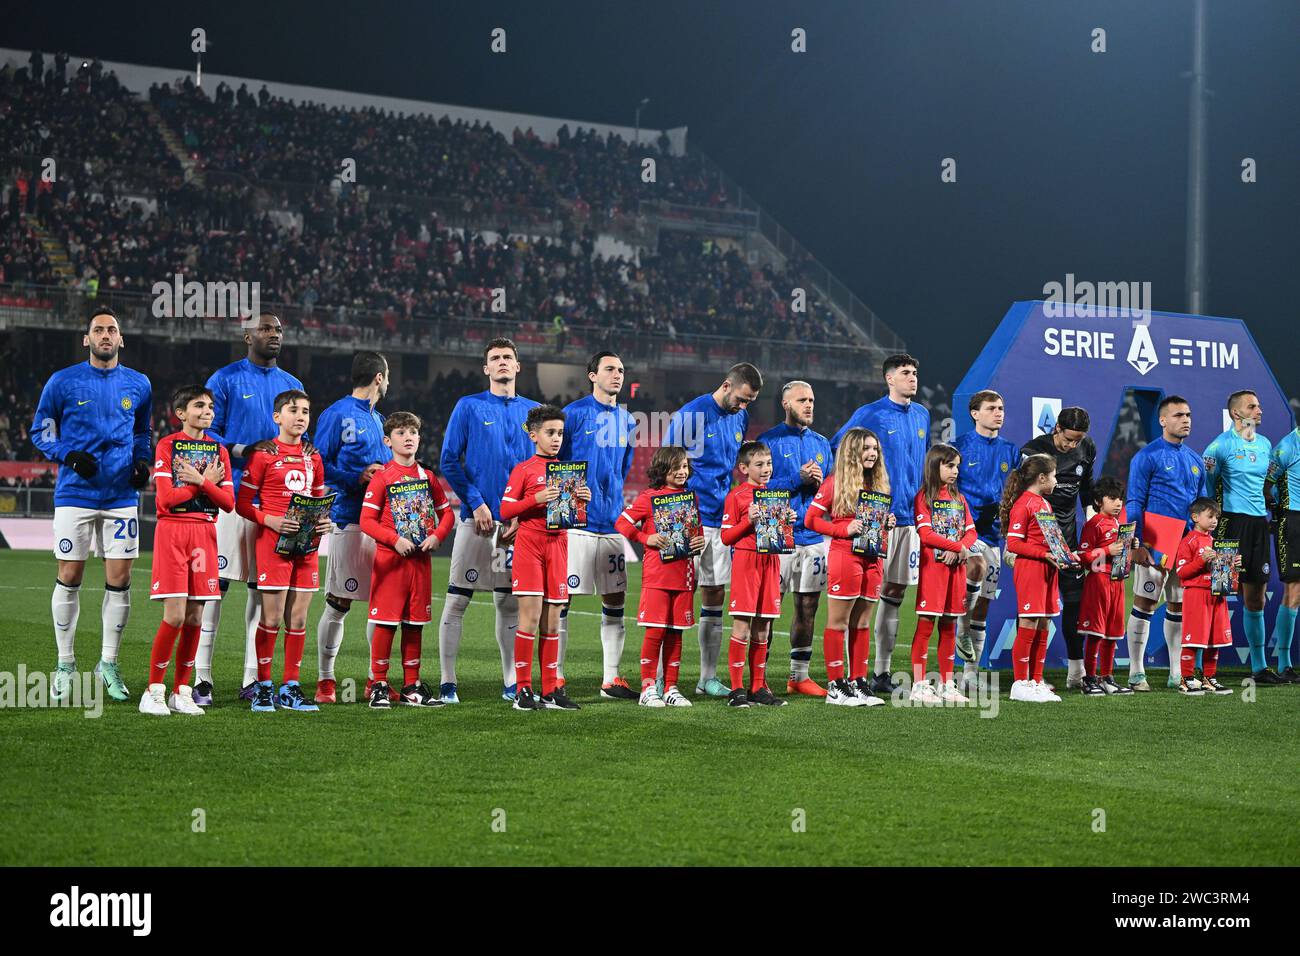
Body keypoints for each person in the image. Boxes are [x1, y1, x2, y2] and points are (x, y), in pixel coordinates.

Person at [32, 307, 153, 703]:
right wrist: (68, 454)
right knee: (69, 575)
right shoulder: (62, 382)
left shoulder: (139, 384)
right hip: (75, 494)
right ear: (87, 339)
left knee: (119, 580)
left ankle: (108, 664)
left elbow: (142, 431)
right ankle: (65, 663)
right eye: (98, 330)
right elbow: (41, 430)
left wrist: (142, 462)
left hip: (120, 496)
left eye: (112, 330)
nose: (105, 335)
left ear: (121, 340)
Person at [201, 313, 306, 704]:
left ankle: (252, 678)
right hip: (233, 496)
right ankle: (203, 678)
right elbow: (208, 428)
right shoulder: (225, 379)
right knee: (217, 588)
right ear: (248, 336)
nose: (273, 334)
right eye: (265, 329)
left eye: (278, 329)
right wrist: (243, 450)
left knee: (261, 591)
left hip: (275, 502)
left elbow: (301, 441)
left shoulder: (292, 385)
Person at [438, 338, 540, 703]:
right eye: (494, 358)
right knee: (457, 600)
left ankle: (511, 681)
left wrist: (522, 513)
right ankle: (448, 682)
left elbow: (541, 469)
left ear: (518, 366)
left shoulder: (536, 412)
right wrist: (478, 503)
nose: (501, 363)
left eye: (507, 358)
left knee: (508, 603)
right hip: (475, 523)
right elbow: (449, 460)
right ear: (486, 368)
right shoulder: (468, 406)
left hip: (517, 528)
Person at [832, 353, 930, 695]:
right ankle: (849, 675)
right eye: (905, 372)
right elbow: (841, 448)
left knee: (895, 593)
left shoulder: (922, 414)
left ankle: (881, 672)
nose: (912, 378)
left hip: (908, 520)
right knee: (865, 597)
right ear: (890, 378)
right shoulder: (870, 413)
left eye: (915, 372)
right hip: (876, 519)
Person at [665, 362, 763, 698]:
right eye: (741, 398)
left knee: (714, 594)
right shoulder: (690, 416)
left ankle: (707, 678)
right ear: (726, 385)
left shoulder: (740, 418)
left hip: (720, 521)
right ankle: (665, 679)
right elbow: (666, 465)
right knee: (677, 595)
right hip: (688, 518)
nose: (744, 406)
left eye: (749, 401)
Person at [234, 390, 331, 713]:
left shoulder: (312, 456)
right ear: (277, 417)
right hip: (273, 544)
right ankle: (263, 687)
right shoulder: (263, 455)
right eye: (293, 410)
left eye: (305, 410)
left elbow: (318, 502)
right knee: (272, 617)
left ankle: (290, 687)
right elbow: (243, 504)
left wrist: (323, 523)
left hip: (306, 546)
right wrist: (270, 520)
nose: (301, 416)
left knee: (299, 617)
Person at [139, 385, 234, 717]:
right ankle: (153, 690)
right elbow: (165, 500)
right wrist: (200, 482)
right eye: (199, 405)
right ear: (181, 413)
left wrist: (201, 483)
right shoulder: (167, 446)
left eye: (210, 405)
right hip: (173, 532)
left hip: (205, 532)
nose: (207, 410)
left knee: (195, 616)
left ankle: (182, 691)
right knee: (176, 615)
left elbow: (228, 503)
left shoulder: (219, 451)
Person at [311, 351, 392, 704]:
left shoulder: (381, 420)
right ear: (379, 378)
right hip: (349, 518)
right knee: (339, 602)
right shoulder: (336, 414)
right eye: (386, 377)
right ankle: (326, 680)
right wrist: (356, 476)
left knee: (383, 605)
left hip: (384, 526)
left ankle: (377, 680)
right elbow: (317, 462)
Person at [358, 411, 454, 709]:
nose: (408, 437)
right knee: (386, 623)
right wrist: (393, 539)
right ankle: (379, 685)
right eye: (401, 433)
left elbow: (447, 513)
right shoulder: (382, 478)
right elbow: (366, 521)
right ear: (388, 441)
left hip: (419, 563)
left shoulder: (427, 477)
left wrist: (437, 536)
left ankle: (412, 685)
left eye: (413, 431)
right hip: (391, 561)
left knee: (415, 623)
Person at [557, 351, 638, 699]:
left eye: (621, 369)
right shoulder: (572, 415)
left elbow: (622, 469)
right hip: (577, 523)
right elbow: (555, 464)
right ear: (592, 375)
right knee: (563, 601)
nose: (617, 374)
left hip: (611, 524)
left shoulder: (627, 420)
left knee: (615, 600)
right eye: (609, 369)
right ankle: (555, 677)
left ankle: (610, 679)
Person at [499, 405, 590, 711]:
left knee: (553, 621)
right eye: (550, 433)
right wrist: (535, 499)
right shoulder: (523, 469)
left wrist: (581, 500)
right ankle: (523, 690)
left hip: (559, 545)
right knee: (531, 618)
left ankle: (551, 690)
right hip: (530, 545)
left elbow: (573, 514)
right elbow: (506, 511)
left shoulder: (567, 472)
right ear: (533, 434)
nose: (556, 439)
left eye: (560, 433)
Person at [805, 428, 893, 707]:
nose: (872, 454)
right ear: (852, 452)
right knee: (839, 622)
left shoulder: (877, 484)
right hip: (845, 556)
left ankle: (858, 682)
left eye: (875, 449)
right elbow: (811, 520)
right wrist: (842, 530)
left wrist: (886, 524)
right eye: (866, 448)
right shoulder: (834, 483)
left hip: (873, 558)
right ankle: (836, 685)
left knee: (863, 622)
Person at [1202, 390, 1285, 685]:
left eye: (1259, 405)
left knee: (1256, 598)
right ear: (1237, 414)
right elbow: (1207, 491)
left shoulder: (1265, 445)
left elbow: (1268, 487)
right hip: (1230, 526)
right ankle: (1202, 666)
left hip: (1259, 527)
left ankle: (1259, 667)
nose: (1259, 410)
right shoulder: (1219, 447)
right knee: (1220, 592)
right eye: (1252, 406)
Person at [1123, 396, 1205, 691]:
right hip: (1155, 545)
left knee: (1179, 605)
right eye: (1179, 415)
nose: (1186, 420)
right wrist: (1137, 542)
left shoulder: (1195, 460)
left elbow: (1203, 508)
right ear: (1162, 420)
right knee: (1145, 603)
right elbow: (1134, 501)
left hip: (1186, 548)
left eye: (1189, 414)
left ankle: (1175, 672)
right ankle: (1136, 672)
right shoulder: (1146, 456)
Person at [616, 446, 707, 707]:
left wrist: (699, 541)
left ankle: (671, 687)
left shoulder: (691, 498)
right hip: (657, 575)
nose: (682, 472)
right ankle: (647, 688)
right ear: (662, 469)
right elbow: (622, 523)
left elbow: (695, 530)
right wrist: (647, 538)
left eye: (685, 467)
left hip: (684, 574)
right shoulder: (649, 497)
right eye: (676, 467)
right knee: (655, 631)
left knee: (676, 632)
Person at [759, 380, 833, 697]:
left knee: (807, 608)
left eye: (812, 400)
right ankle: (757, 679)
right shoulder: (768, 441)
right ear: (786, 404)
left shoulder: (822, 443)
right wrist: (797, 479)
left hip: (814, 537)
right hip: (778, 537)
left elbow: (828, 492)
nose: (809, 405)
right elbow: (759, 486)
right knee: (767, 610)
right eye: (802, 400)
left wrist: (820, 488)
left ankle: (798, 676)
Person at [1020, 406, 1096, 690]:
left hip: (1067, 539)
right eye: (1068, 439)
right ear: (1056, 429)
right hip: (1038, 540)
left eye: (1078, 440)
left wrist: (1092, 521)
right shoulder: (1034, 451)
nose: (1072, 445)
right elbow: (1019, 494)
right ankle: (1027, 677)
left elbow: (1087, 490)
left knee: (1075, 602)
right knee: (1033, 610)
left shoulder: (1087, 447)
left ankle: (1076, 673)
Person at [951, 390, 1019, 689]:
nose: (999, 413)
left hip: (994, 535)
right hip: (967, 532)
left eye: (1002, 408)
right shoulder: (961, 447)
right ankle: (959, 630)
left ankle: (969, 674)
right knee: (975, 568)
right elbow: (948, 488)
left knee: (983, 607)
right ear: (975, 413)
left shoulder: (1011, 450)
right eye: (992, 408)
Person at [719, 441, 793, 708]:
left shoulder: (774, 496)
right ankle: (737, 689)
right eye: (759, 464)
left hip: (770, 563)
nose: (766, 469)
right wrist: (747, 521)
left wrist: (787, 522)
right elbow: (726, 537)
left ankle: (758, 687)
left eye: (769, 464)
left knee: (764, 628)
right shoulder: (736, 496)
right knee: (743, 626)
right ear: (743, 468)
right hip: (747, 564)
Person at [909, 444, 977, 703]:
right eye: (949, 465)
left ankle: (948, 683)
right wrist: (957, 547)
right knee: (926, 624)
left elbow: (972, 532)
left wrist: (961, 549)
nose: (955, 471)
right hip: (933, 570)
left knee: (949, 626)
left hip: (956, 571)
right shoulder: (924, 497)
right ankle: (918, 683)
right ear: (935, 465)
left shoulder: (960, 499)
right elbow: (926, 535)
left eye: (957, 466)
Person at [1002, 454, 1068, 703]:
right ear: (1042, 478)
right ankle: (1019, 683)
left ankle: (1036, 680)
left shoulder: (1044, 503)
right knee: (1029, 623)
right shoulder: (1024, 504)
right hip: (1031, 568)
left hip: (1048, 568)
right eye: (1054, 476)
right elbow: (1014, 544)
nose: (1056, 480)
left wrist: (1065, 556)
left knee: (1043, 624)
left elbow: (1050, 539)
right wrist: (1044, 554)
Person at [1173, 498, 1238, 696]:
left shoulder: (1215, 542)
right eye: (1210, 516)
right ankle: (1186, 679)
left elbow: (1224, 575)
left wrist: (1233, 565)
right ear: (1195, 517)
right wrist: (1201, 560)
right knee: (1193, 640)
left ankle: (1209, 678)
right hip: (1196, 595)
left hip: (1216, 595)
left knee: (1215, 640)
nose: (1214, 521)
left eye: (1216, 517)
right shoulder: (1189, 541)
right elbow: (1182, 572)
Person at [1076, 476, 1133, 696]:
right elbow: (1083, 556)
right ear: (1099, 501)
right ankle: (1089, 678)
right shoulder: (1093, 524)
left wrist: (1131, 545)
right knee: (1095, 633)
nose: (1118, 503)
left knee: (1113, 633)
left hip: (1117, 582)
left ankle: (1107, 677)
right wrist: (1107, 551)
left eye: (1120, 499)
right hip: (1098, 581)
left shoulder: (1119, 524)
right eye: (1112, 498)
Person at [1266, 423, 1300, 681]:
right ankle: (1284, 663)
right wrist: (1277, 513)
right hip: (1293, 520)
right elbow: (1266, 484)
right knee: (1294, 588)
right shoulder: (1288, 446)